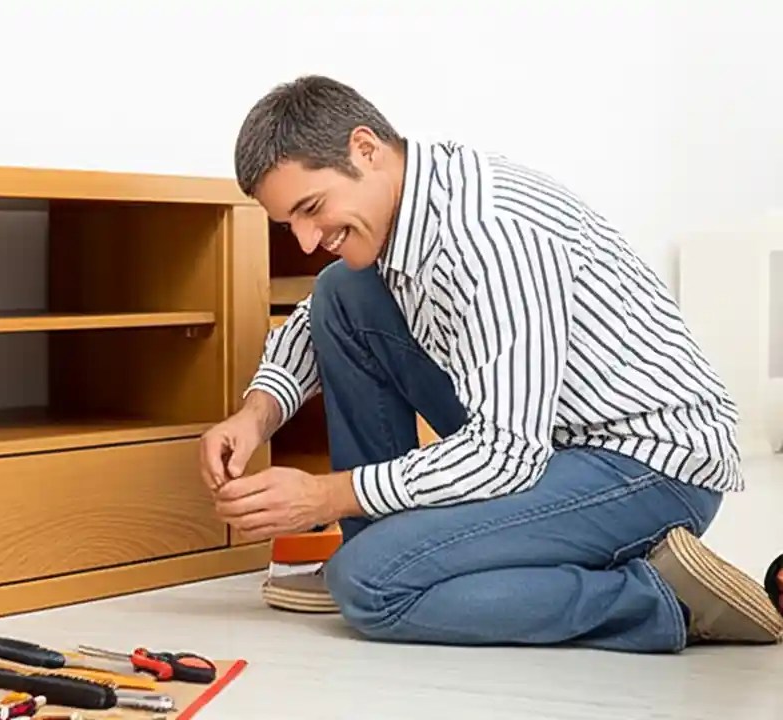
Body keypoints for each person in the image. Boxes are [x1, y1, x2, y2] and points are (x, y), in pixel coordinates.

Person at [200, 74, 783, 652]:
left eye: (312, 208)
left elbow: (505, 455)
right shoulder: (406, 207)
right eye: (288, 224)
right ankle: (393, 549)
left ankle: (659, 600)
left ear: (365, 149)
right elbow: (313, 323)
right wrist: (256, 416)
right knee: (340, 293)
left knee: (372, 588)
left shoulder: (489, 234)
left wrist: (326, 496)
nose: (305, 239)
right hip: (550, 442)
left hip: (647, 468)